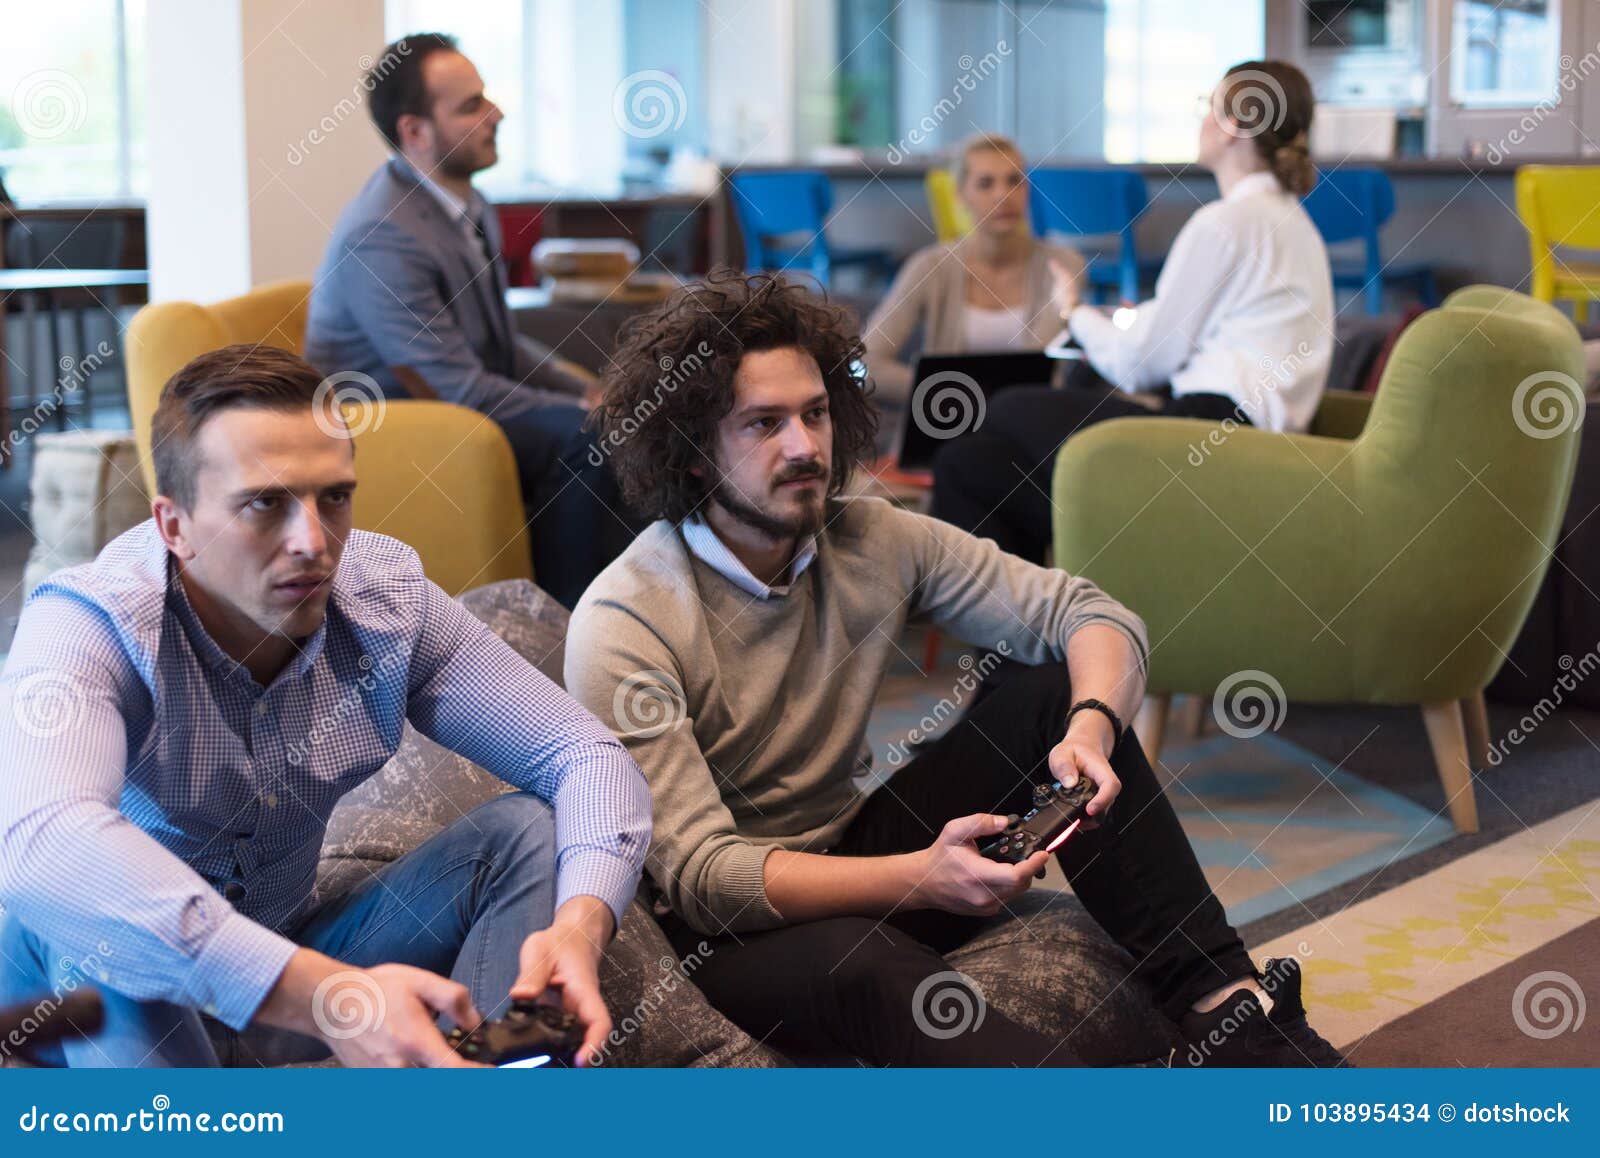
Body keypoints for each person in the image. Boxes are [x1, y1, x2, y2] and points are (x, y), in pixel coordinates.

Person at [565, 269, 1345, 1067]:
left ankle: (1237, 1018)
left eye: (815, 413)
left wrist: (1089, 728)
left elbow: (1092, 614)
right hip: (723, 936)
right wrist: (917, 879)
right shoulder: (628, 621)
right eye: (762, 424)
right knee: (874, 970)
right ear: (693, 451)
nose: (804, 447)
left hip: (847, 846)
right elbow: (706, 878)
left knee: (1046, 696)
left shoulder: (874, 538)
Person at [0, 345, 651, 1068]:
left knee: (522, 832)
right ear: (173, 525)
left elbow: (580, 752)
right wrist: (329, 995)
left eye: (334, 497)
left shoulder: (386, 600)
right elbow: (45, 842)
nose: (313, 542)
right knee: (104, 923)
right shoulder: (90, 623)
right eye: (265, 503)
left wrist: (582, 926)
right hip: (98, 995)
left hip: (293, 957)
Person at [932, 60, 1334, 564]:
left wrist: (1075, 311)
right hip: (1242, 443)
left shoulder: (1226, 222)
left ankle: (1023, 631)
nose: (1202, 120)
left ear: (1232, 125)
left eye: (1207, 106)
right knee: (970, 464)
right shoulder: (1294, 226)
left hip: (1207, 439)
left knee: (1006, 407)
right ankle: (1039, 624)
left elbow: (1142, 364)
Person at [304, 32, 633, 608]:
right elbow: (451, 383)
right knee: (590, 437)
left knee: (616, 413)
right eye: (471, 106)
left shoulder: (465, 202)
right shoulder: (383, 236)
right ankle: (565, 623)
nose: (496, 113)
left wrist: (592, 389)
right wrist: (585, 410)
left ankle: (634, 609)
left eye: (486, 97)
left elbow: (500, 344)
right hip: (398, 423)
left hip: (453, 399)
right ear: (415, 132)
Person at [863, 133, 1085, 409]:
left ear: (1027, 190)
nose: (1003, 195)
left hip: (1031, 421)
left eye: (1014, 181)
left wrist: (988, 399)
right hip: (946, 423)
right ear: (959, 195)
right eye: (985, 183)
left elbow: (1043, 372)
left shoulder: (1063, 266)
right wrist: (946, 393)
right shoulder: (929, 266)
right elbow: (864, 365)